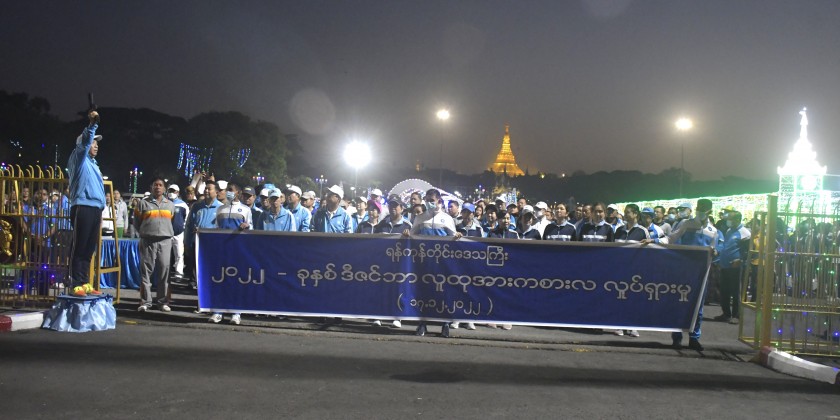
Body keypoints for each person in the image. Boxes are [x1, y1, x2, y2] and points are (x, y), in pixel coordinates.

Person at [654, 199, 722, 351]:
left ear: (710, 211)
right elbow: (671, 238)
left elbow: (715, 251)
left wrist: (716, 252)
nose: (700, 210)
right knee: (679, 303)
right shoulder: (686, 224)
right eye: (699, 208)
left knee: (698, 307)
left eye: (704, 208)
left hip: (701, 274)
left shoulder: (713, 231)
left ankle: (694, 338)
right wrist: (653, 241)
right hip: (683, 271)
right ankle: (677, 338)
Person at [409, 189, 459, 337]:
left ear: (439, 201)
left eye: (432, 199)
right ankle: (422, 324)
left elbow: (453, 238)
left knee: (443, 294)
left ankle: (445, 325)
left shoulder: (447, 219)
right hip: (423, 263)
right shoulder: (420, 218)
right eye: (427, 199)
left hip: (442, 264)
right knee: (423, 294)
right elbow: (412, 236)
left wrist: (458, 237)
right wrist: (407, 235)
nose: (429, 202)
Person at [66, 109, 105, 297]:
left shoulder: (93, 164)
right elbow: (85, 140)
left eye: (97, 143)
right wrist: (92, 124)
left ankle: (84, 282)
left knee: (88, 249)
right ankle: (75, 283)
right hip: (82, 206)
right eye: (93, 142)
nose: (96, 146)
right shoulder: (79, 157)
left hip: (95, 208)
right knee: (79, 247)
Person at [210, 183, 252, 325]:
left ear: (238, 193)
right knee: (220, 281)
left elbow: (251, 229)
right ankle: (217, 312)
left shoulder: (245, 210)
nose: (228, 192)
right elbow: (216, 228)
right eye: (227, 190)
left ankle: (236, 313)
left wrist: (246, 226)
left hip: (238, 251)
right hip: (222, 250)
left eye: (231, 190)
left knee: (237, 281)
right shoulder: (220, 209)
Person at [134, 178, 176, 312]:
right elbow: (136, 222)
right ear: (151, 187)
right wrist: (145, 232)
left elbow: (173, 221)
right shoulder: (142, 203)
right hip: (147, 241)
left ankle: (163, 302)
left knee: (164, 272)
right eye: (155, 185)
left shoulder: (170, 205)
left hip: (165, 241)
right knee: (146, 273)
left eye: (160, 185)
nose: (158, 187)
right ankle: (145, 302)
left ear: (164, 189)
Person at [184, 180, 222, 288]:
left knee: (209, 267)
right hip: (196, 242)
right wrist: (186, 242)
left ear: (216, 192)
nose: (206, 191)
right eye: (205, 188)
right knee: (195, 265)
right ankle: (193, 283)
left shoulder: (221, 208)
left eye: (209, 189)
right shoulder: (197, 206)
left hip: (212, 244)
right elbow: (189, 224)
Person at [716, 211, 750, 324]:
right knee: (724, 291)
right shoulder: (729, 230)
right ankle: (726, 314)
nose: (727, 221)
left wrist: (740, 260)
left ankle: (736, 315)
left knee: (736, 292)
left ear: (737, 219)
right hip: (725, 265)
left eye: (730, 218)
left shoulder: (744, 233)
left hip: (736, 267)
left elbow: (749, 251)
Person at [168, 184, 190, 280]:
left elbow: (187, 218)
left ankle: (178, 272)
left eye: (173, 191)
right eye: (170, 191)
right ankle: (165, 272)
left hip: (179, 233)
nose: (171, 193)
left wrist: (183, 228)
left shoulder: (182, 204)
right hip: (166, 233)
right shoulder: (165, 203)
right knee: (165, 254)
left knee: (179, 253)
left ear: (177, 192)